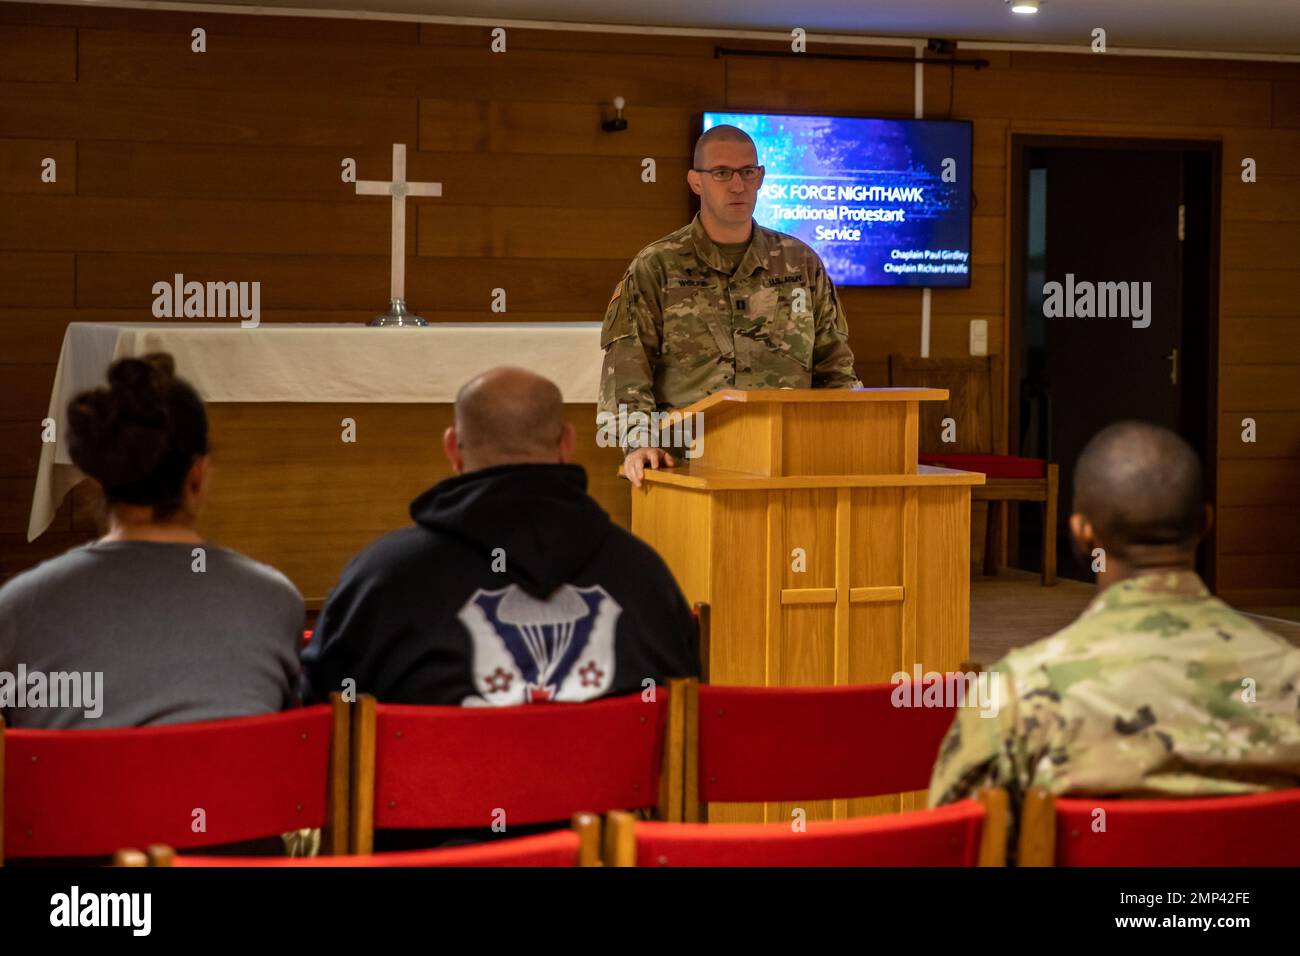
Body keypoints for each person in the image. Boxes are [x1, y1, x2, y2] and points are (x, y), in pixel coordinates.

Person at [928, 421, 1300, 856]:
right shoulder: (1290, 679)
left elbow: (952, 845)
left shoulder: (1017, 694)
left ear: (1083, 532)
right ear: (1205, 523)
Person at [301, 366, 699, 710]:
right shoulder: (644, 576)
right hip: (607, 799)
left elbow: (318, 721)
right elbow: (686, 720)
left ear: (453, 448)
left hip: (434, 798)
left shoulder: (383, 579)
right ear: (566, 444)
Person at [0, 353, 304, 730]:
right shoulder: (275, 602)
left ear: (99, 477)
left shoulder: (18, 609)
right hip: (233, 789)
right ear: (198, 476)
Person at [599, 123, 861, 486]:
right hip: (686, 468)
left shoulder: (800, 263)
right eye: (721, 173)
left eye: (747, 172)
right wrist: (638, 443)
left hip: (789, 466)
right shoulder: (658, 266)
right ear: (696, 182)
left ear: (760, 177)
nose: (737, 185)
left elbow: (835, 367)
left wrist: (849, 442)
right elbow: (628, 367)